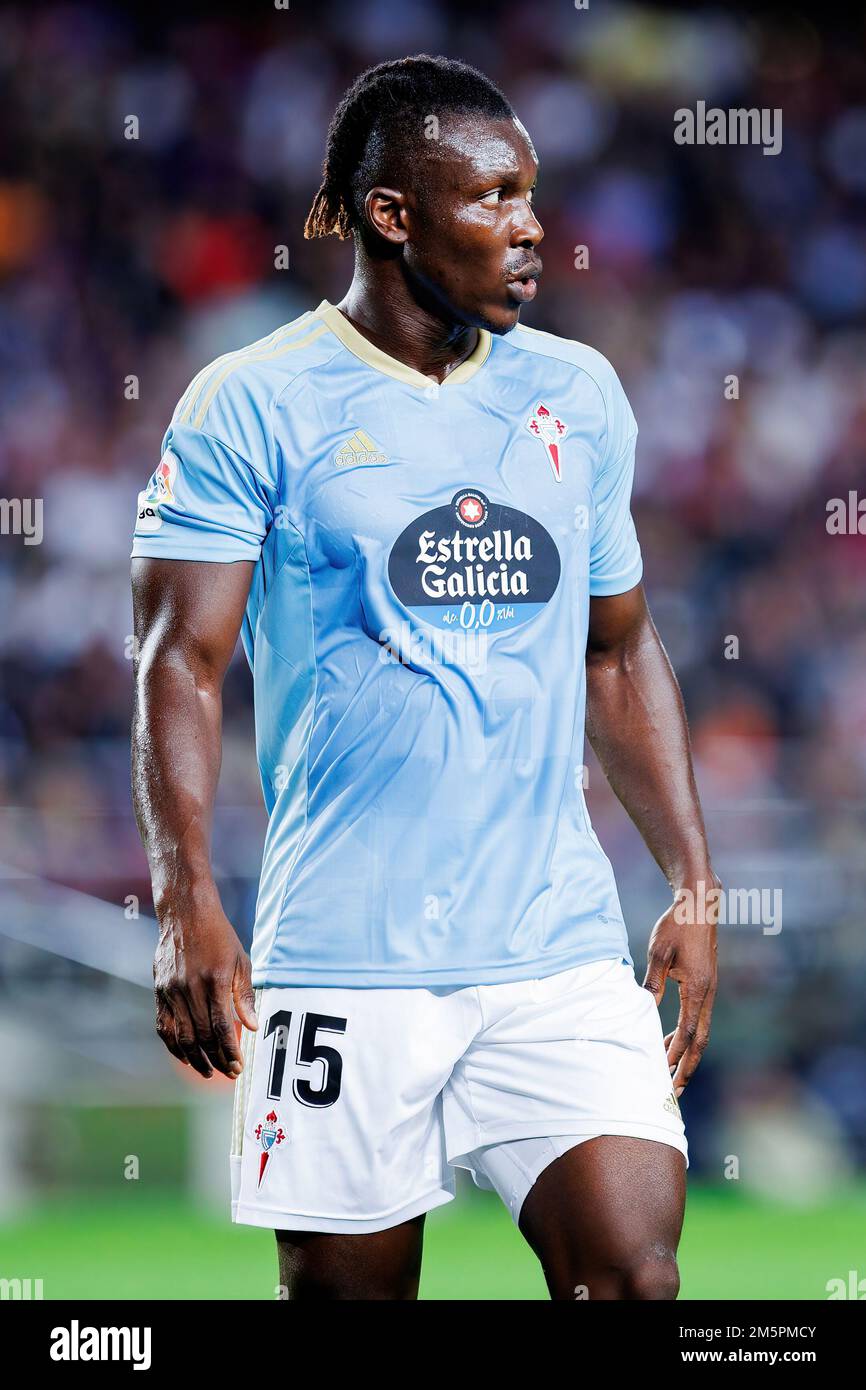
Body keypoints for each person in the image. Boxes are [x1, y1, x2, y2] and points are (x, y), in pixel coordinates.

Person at [131, 55, 719, 1301]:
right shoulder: (251, 402)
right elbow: (181, 659)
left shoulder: (578, 393)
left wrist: (692, 879)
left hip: (552, 947)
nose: (530, 227)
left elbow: (616, 651)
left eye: (530, 194)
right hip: (342, 957)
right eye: (494, 197)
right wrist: (185, 892)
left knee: (632, 1276)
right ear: (391, 216)